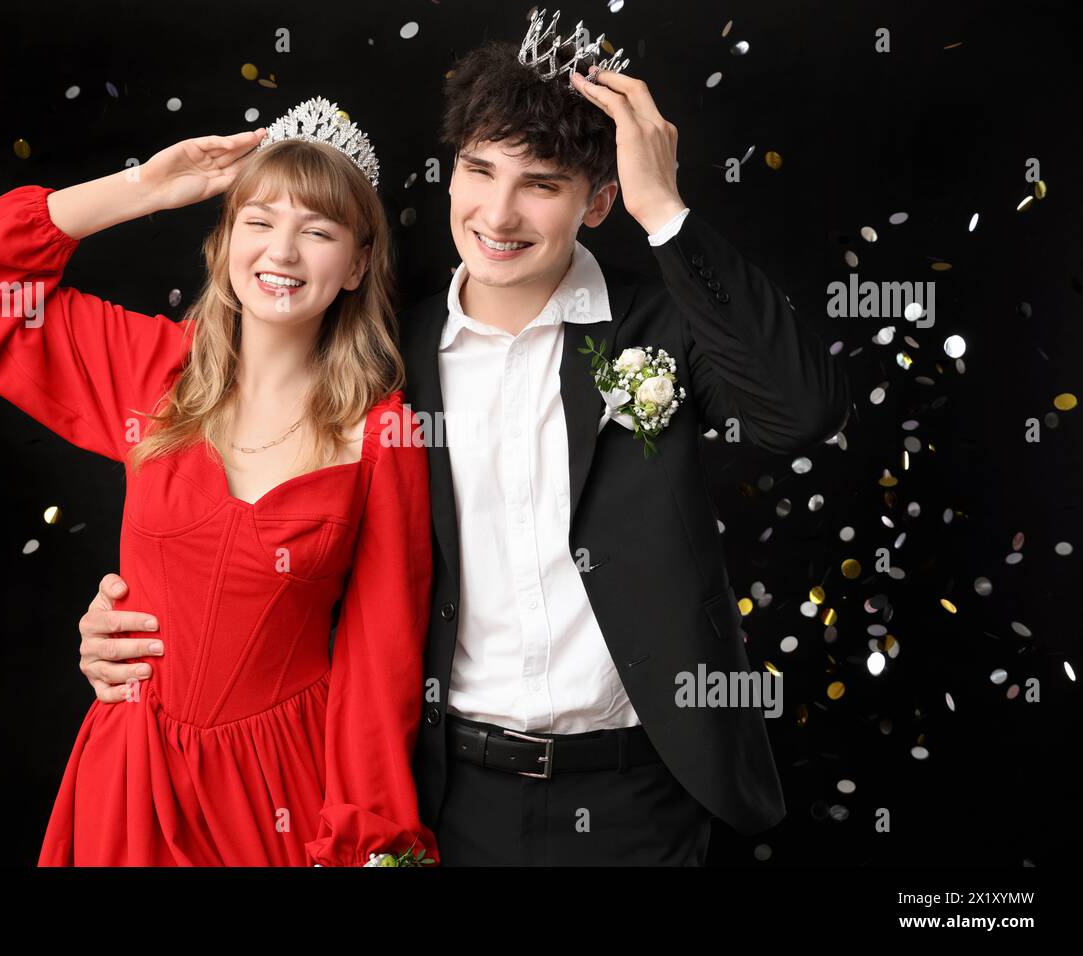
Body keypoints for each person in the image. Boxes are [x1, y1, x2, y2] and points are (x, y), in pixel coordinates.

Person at [77, 14, 853, 865]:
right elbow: (275, 534)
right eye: (479, 171)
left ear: (597, 202)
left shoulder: (658, 328)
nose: (499, 212)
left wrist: (664, 210)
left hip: (645, 788)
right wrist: (143, 631)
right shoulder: (382, 364)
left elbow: (804, 411)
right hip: (452, 790)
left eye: (543, 185)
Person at [0, 97, 439, 866]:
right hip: (132, 775)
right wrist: (145, 188)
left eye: (319, 231)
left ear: (358, 264)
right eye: (260, 221)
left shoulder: (381, 434)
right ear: (225, 239)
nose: (284, 252)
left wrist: (367, 836)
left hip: (281, 793)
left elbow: (382, 667)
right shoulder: (153, 372)